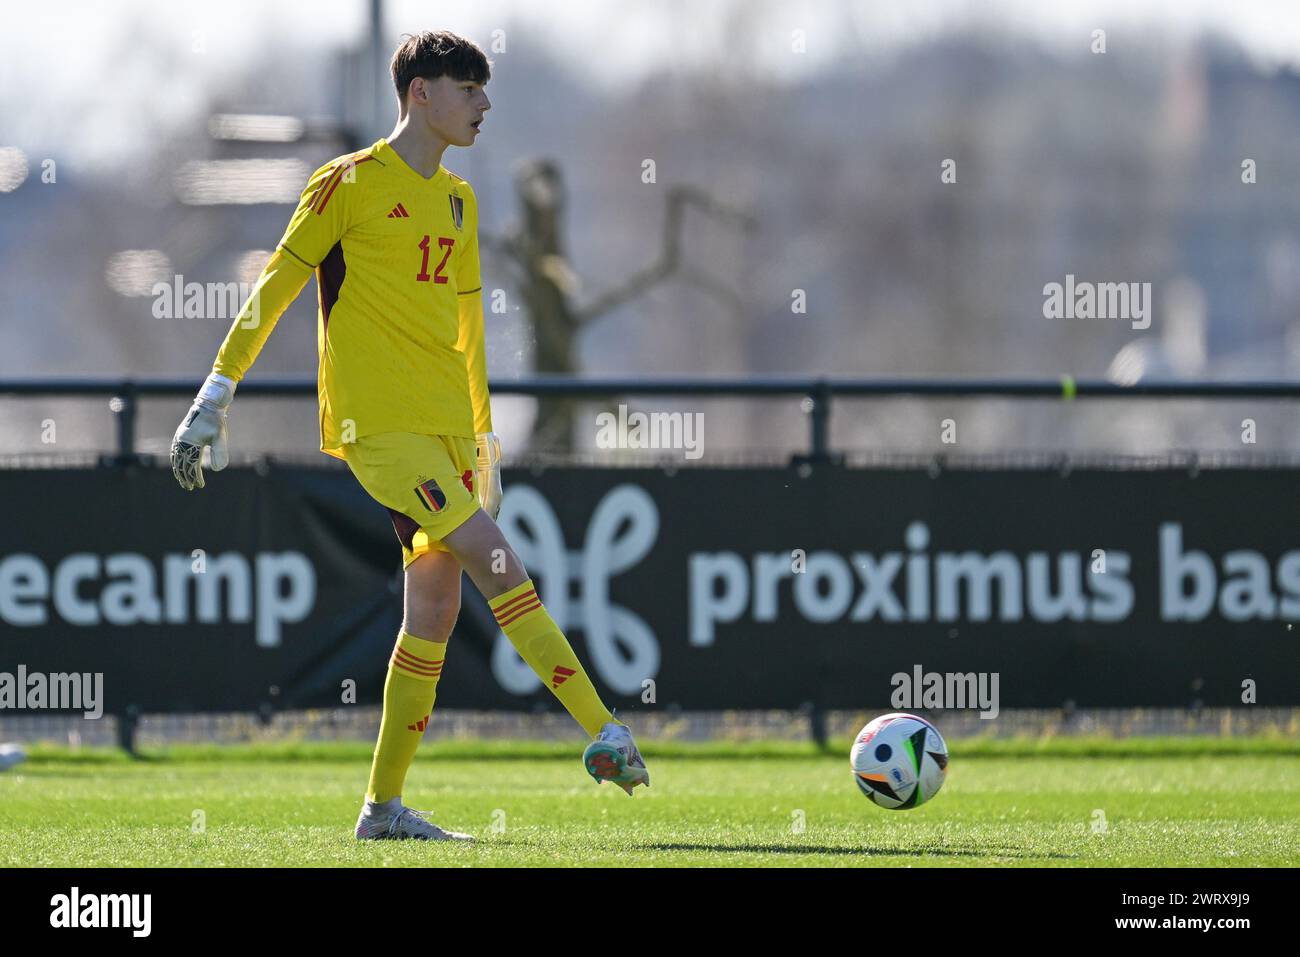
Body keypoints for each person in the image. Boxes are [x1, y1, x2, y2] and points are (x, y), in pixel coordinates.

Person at [170, 30, 648, 842]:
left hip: (447, 431)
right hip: (380, 430)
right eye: (468, 89)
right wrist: (216, 391)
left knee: (433, 608)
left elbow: (469, 330)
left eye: (484, 90)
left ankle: (381, 808)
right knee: (500, 562)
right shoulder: (347, 183)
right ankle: (604, 727)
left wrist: (485, 443)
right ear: (421, 92)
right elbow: (276, 286)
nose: (484, 104)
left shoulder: (458, 201)